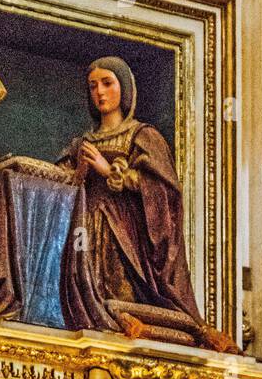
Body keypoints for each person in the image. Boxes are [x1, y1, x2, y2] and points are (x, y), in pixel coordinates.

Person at [58, 56, 235, 351]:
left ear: (124, 88)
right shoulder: (81, 145)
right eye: (92, 86)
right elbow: (58, 189)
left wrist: (111, 172)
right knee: (90, 295)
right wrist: (79, 173)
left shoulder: (142, 136)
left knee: (124, 290)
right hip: (86, 228)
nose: (99, 92)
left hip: (126, 233)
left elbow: (164, 191)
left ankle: (152, 322)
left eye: (107, 83)